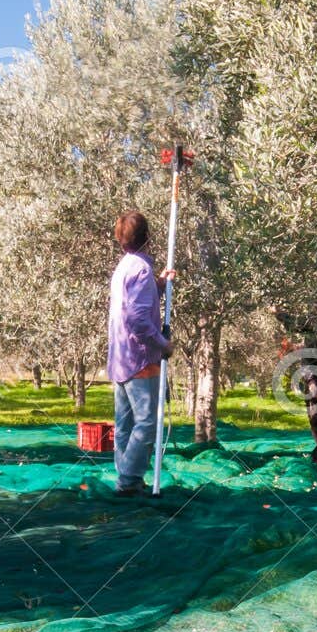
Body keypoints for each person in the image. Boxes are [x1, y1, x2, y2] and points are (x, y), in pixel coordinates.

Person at [106, 210, 173, 495]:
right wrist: (162, 344)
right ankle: (129, 480)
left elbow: (133, 305)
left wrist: (158, 285)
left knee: (125, 424)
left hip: (120, 357)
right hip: (140, 358)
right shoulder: (141, 269)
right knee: (147, 422)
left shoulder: (124, 267)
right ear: (148, 237)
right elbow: (137, 319)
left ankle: (126, 477)